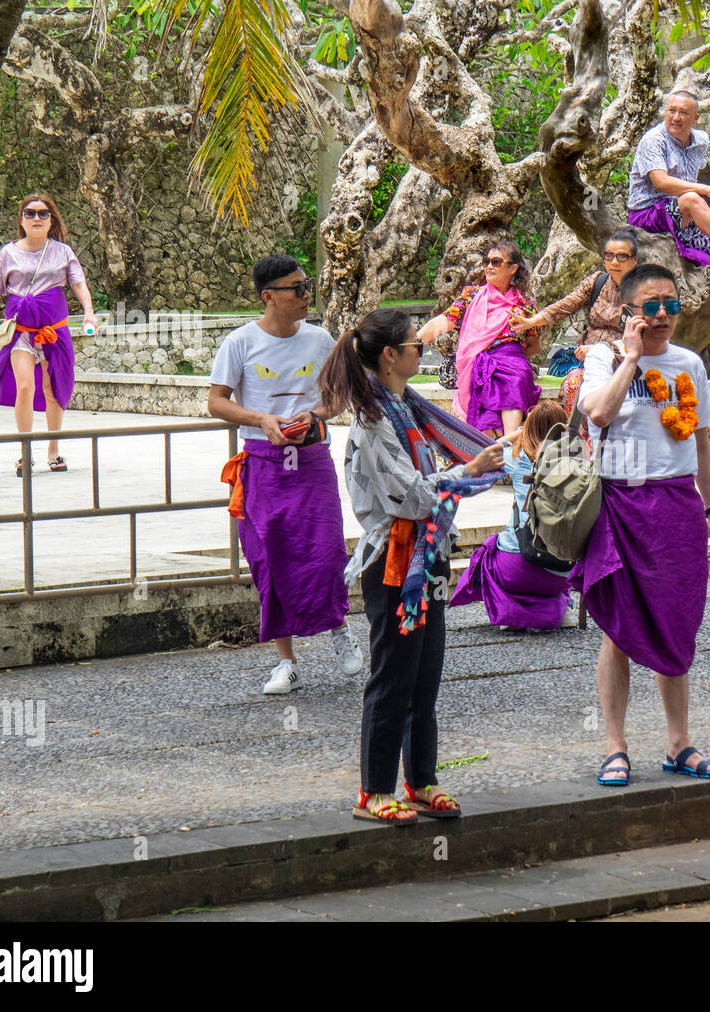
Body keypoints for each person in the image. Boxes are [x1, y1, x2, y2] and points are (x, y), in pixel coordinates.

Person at [318, 308, 505, 824]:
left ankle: (421, 780)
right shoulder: (375, 422)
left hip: (427, 556)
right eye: (415, 345)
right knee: (394, 674)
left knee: (425, 674)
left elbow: (423, 486)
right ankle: (374, 789)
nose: (422, 351)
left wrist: (463, 472)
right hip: (396, 562)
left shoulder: (407, 411)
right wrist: (467, 471)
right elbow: (409, 496)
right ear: (390, 356)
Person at [576, 263, 710, 786]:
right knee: (618, 630)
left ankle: (679, 742)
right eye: (651, 306)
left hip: (677, 506)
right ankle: (615, 745)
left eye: (671, 305)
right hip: (620, 505)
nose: (662, 316)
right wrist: (631, 360)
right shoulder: (603, 357)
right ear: (628, 312)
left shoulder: (689, 363)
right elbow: (596, 413)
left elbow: (702, 443)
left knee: (675, 621)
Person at [208, 254, 362, 695]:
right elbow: (216, 401)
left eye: (306, 285)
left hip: (311, 460)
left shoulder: (320, 339)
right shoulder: (239, 342)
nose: (305, 294)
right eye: (296, 288)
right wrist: (261, 420)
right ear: (268, 296)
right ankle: (286, 662)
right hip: (262, 464)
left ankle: (340, 632)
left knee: (327, 551)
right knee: (268, 559)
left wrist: (315, 416)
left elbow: (340, 395)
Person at [0, 194, 96, 476]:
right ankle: (25, 448)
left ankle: (54, 449)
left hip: (53, 331)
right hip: (21, 333)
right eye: (30, 213)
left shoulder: (62, 251)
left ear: (51, 219)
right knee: (25, 387)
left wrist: (89, 311)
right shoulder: (8, 253)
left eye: (43, 214)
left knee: (53, 388)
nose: (37, 218)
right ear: (21, 220)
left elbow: (78, 283)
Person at [450, 399, 576, 631]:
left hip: (518, 565)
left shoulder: (516, 458)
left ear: (529, 427)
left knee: (487, 551)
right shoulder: (575, 462)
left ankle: (509, 610)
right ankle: (565, 606)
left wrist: (515, 435)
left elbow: (485, 451)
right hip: (562, 572)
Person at [510, 230, 639, 429]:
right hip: (589, 366)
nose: (614, 262)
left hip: (627, 366)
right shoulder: (598, 282)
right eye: (609, 256)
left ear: (635, 259)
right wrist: (532, 321)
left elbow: (645, 334)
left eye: (622, 256)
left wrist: (600, 349)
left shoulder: (645, 289)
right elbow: (567, 304)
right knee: (573, 384)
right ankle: (579, 448)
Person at [626, 91, 710, 271]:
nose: (676, 117)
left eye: (683, 113)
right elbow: (661, 182)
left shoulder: (701, 141)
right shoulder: (653, 140)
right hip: (649, 216)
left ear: (695, 117)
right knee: (692, 198)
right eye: (671, 111)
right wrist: (705, 189)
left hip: (685, 215)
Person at [418, 239, 542, 438]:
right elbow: (444, 321)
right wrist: (415, 341)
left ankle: (508, 445)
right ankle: (497, 448)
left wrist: (510, 357)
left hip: (513, 361)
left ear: (513, 269)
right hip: (479, 361)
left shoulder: (524, 305)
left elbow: (534, 345)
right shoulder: (471, 296)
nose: (489, 266)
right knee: (485, 377)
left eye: (496, 262)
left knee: (516, 378)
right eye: (486, 262)